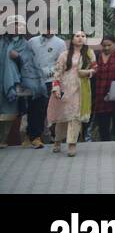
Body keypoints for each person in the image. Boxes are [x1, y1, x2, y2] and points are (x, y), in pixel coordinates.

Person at [47, 30, 95, 156]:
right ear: (72, 39)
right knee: (63, 117)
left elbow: (95, 68)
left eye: (83, 36)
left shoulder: (89, 54)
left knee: (75, 117)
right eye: (77, 36)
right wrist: (56, 88)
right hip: (65, 89)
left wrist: (88, 72)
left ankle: (72, 144)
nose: (80, 38)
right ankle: (57, 141)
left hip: (81, 89)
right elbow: (57, 72)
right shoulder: (64, 55)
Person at [2, 16, 42, 148]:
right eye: (13, 25)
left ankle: (31, 138)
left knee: (20, 108)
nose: (16, 28)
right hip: (2, 80)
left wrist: (18, 57)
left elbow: (29, 63)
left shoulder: (26, 44)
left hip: (21, 82)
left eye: (19, 25)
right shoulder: (2, 41)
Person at [26, 26, 65, 147]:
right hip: (34, 80)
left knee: (46, 109)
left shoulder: (60, 43)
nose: (48, 31)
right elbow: (27, 59)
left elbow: (61, 62)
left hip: (50, 80)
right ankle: (34, 137)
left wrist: (47, 72)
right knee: (33, 108)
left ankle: (47, 136)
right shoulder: (32, 41)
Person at [90, 34, 115, 141]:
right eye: (104, 46)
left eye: (109, 45)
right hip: (100, 93)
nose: (106, 48)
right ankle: (104, 141)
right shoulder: (96, 55)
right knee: (102, 119)